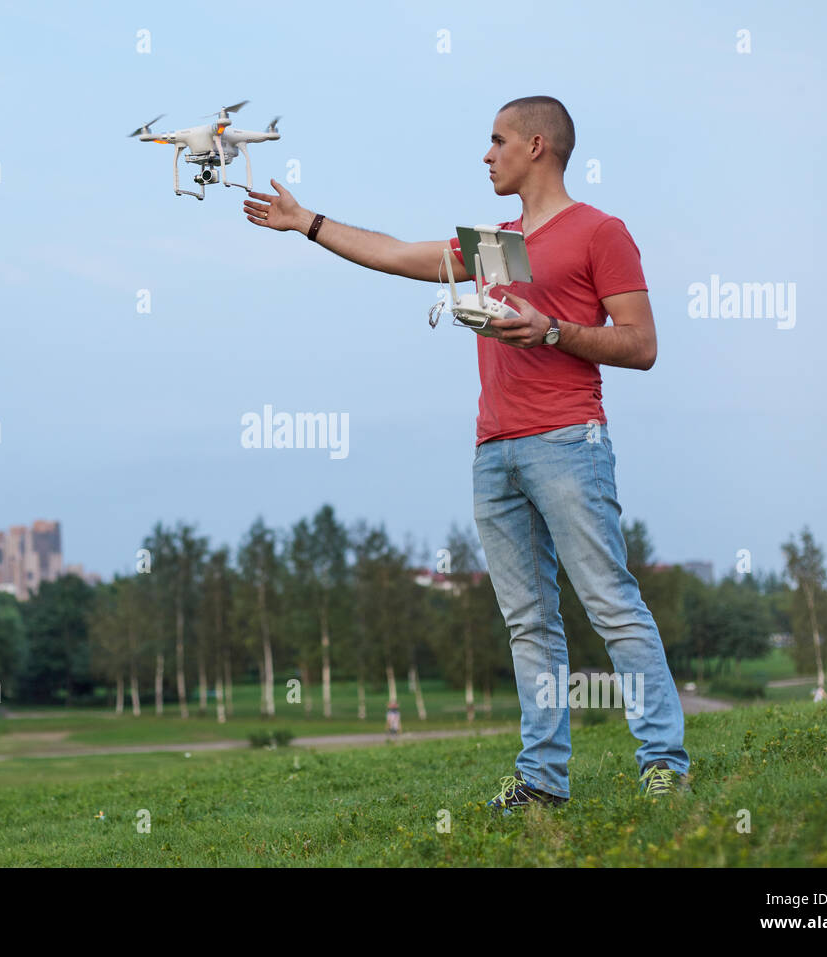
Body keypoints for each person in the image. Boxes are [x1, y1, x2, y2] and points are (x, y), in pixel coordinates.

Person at [242, 95, 690, 810]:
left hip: (570, 442)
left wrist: (553, 330)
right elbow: (397, 254)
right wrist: (309, 224)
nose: (486, 154)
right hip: (494, 453)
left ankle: (664, 761)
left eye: (497, 140)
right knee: (527, 622)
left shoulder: (602, 232)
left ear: (536, 146)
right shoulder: (490, 243)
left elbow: (641, 344)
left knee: (611, 604)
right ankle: (542, 779)